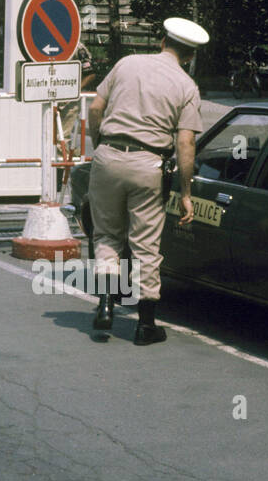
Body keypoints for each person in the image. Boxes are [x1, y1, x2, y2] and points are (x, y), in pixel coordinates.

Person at [85, 17, 208, 345]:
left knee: (107, 235)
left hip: (108, 155)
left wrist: (101, 146)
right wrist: (185, 192)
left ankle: (106, 305)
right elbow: (185, 143)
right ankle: (145, 325)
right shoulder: (186, 87)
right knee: (145, 245)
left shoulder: (126, 64)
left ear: (162, 42)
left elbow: (95, 109)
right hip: (149, 163)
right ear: (191, 56)